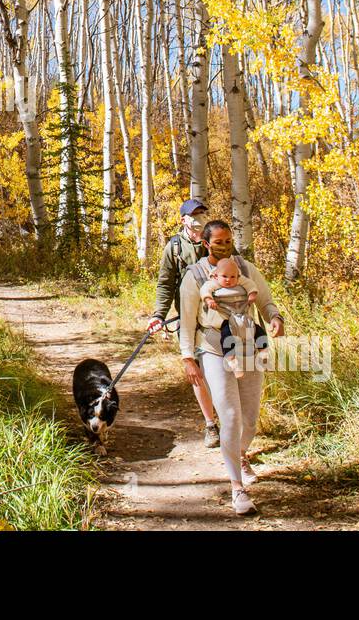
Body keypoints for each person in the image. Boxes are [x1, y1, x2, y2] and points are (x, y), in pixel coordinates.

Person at [178, 220, 284, 517]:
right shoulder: (195, 276)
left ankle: (239, 453)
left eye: (228, 240)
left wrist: (274, 317)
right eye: (219, 241)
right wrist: (188, 357)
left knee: (250, 419)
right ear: (206, 243)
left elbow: (264, 299)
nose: (225, 245)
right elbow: (186, 320)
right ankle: (237, 488)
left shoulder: (246, 268)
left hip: (247, 345)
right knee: (230, 416)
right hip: (213, 348)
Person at [146, 198, 221, 448]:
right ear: (184, 219)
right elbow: (165, 284)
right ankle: (211, 425)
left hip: (219, 319)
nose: (198, 218)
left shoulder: (217, 241)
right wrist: (159, 315)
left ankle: (230, 417)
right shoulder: (174, 247)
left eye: (202, 213)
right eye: (194, 215)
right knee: (196, 371)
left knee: (224, 370)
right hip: (188, 320)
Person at [199, 256, 268, 379]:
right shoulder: (214, 283)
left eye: (232, 277)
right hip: (226, 317)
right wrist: (209, 299)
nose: (228, 280)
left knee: (258, 331)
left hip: (243, 316)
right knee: (226, 336)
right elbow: (205, 289)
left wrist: (252, 293)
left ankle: (263, 352)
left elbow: (250, 284)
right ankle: (232, 360)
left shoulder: (240, 280)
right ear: (216, 276)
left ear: (237, 276)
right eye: (224, 276)